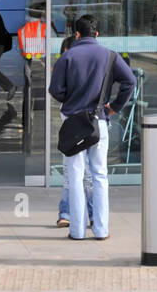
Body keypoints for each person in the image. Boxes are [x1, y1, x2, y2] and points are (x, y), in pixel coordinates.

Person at [48, 15, 136, 240]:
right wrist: (114, 107)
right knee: (99, 175)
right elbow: (130, 82)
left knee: (76, 176)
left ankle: (76, 231)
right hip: (99, 122)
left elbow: (55, 90)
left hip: (73, 123)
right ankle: (101, 229)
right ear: (97, 34)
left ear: (77, 35)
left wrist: (70, 99)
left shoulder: (67, 57)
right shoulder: (110, 56)